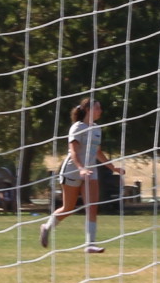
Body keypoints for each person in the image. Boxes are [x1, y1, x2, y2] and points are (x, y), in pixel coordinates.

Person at [39, 98, 109, 254]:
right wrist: (81, 168)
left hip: (91, 172)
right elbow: (73, 152)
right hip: (72, 170)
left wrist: (112, 167)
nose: (100, 111)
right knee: (68, 208)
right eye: (97, 108)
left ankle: (90, 244)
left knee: (92, 207)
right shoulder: (77, 127)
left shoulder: (97, 129)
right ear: (88, 110)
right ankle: (47, 227)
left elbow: (97, 152)